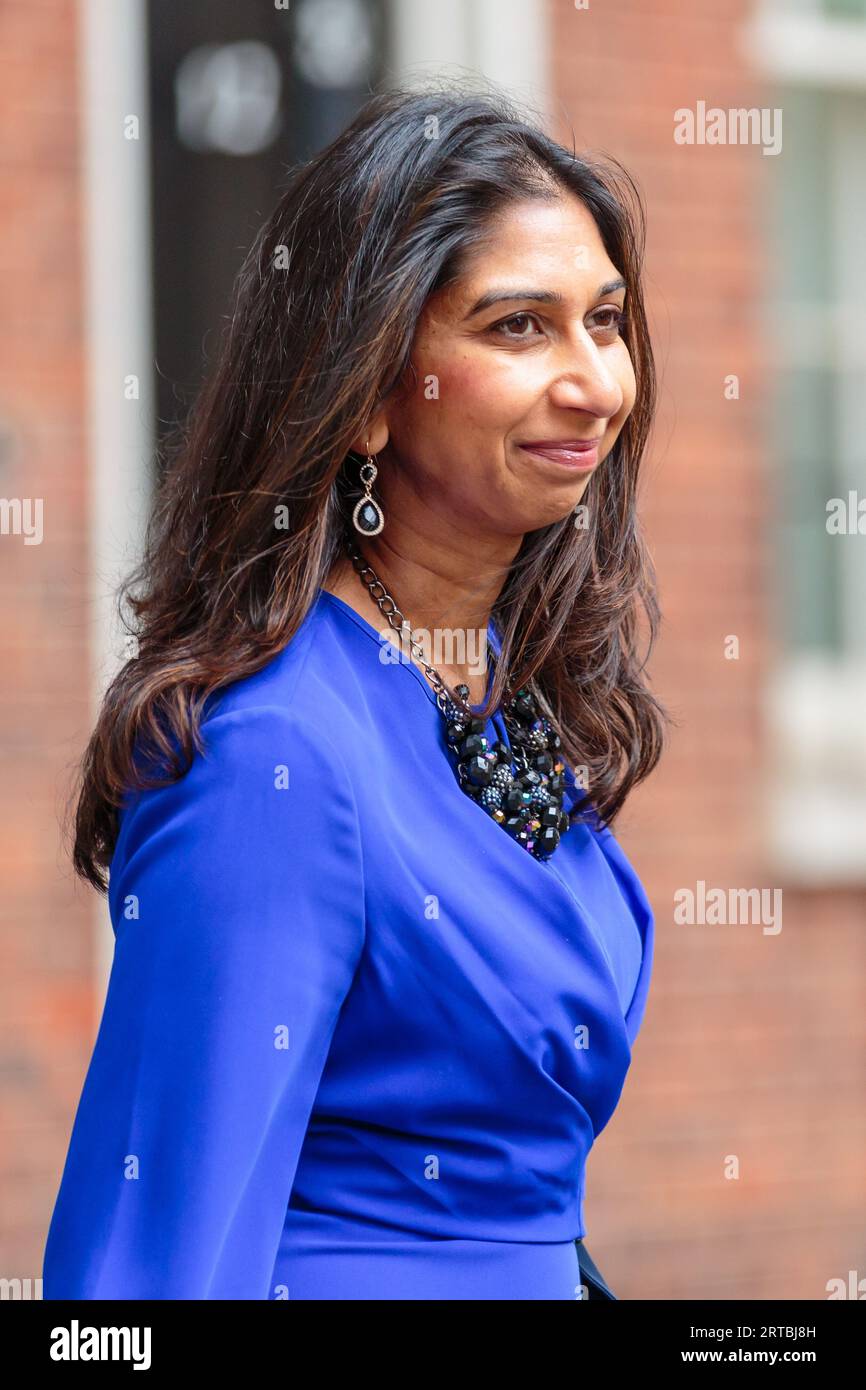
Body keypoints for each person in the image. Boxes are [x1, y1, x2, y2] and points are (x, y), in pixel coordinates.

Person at [43, 83, 669, 1301]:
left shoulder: (493, 690)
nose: (594, 382)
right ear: (370, 391)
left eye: (604, 320)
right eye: (516, 329)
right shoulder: (276, 755)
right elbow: (151, 1262)